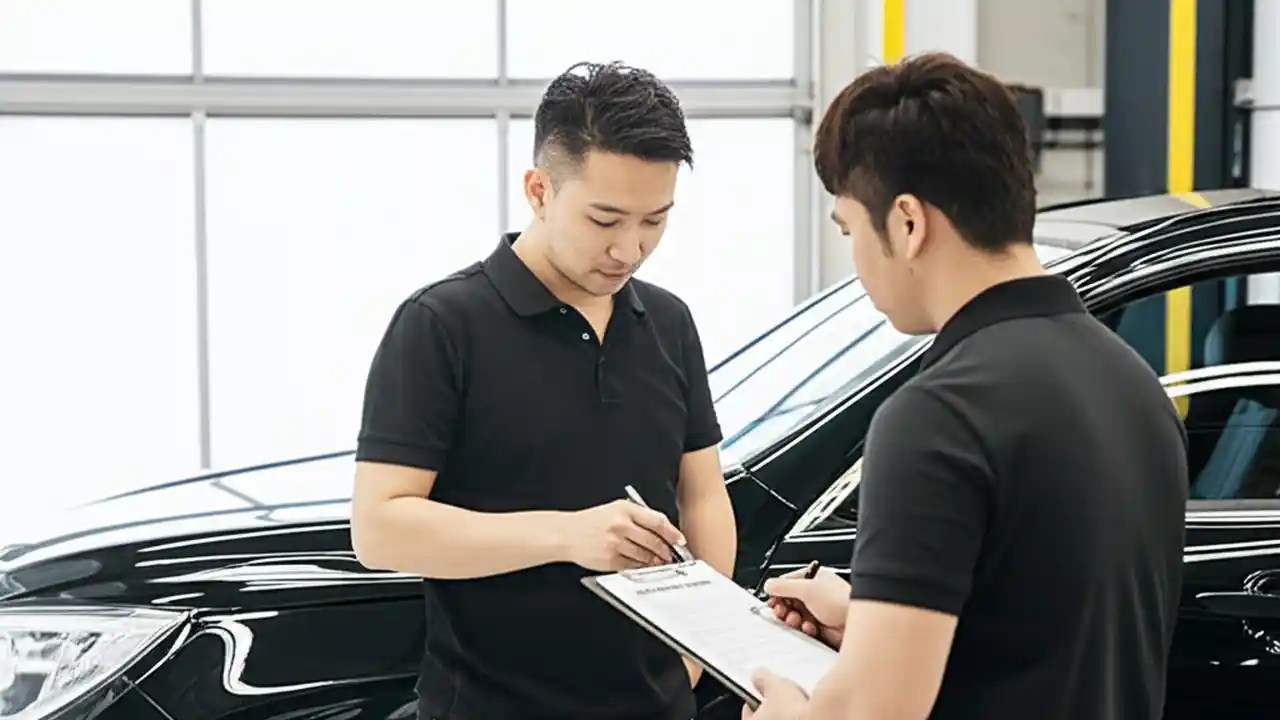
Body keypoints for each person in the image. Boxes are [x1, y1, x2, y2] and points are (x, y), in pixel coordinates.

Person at [747, 52, 1188, 720]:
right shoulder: (1133, 383)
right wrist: (874, 623)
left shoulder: (938, 414)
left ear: (906, 222)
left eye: (849, 230)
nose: (856, 262)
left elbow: (873, 713)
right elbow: (1043, 636)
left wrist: (785, 711)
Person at [349, 61, 737, 720]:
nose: (630, 249)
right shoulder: (442, 325)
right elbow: (380, 529)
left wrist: (698, 652)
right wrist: (567, 538)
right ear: (538, 190)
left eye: (655, 221)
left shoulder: (668, 323)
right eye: (605, 219)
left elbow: (702, 493)